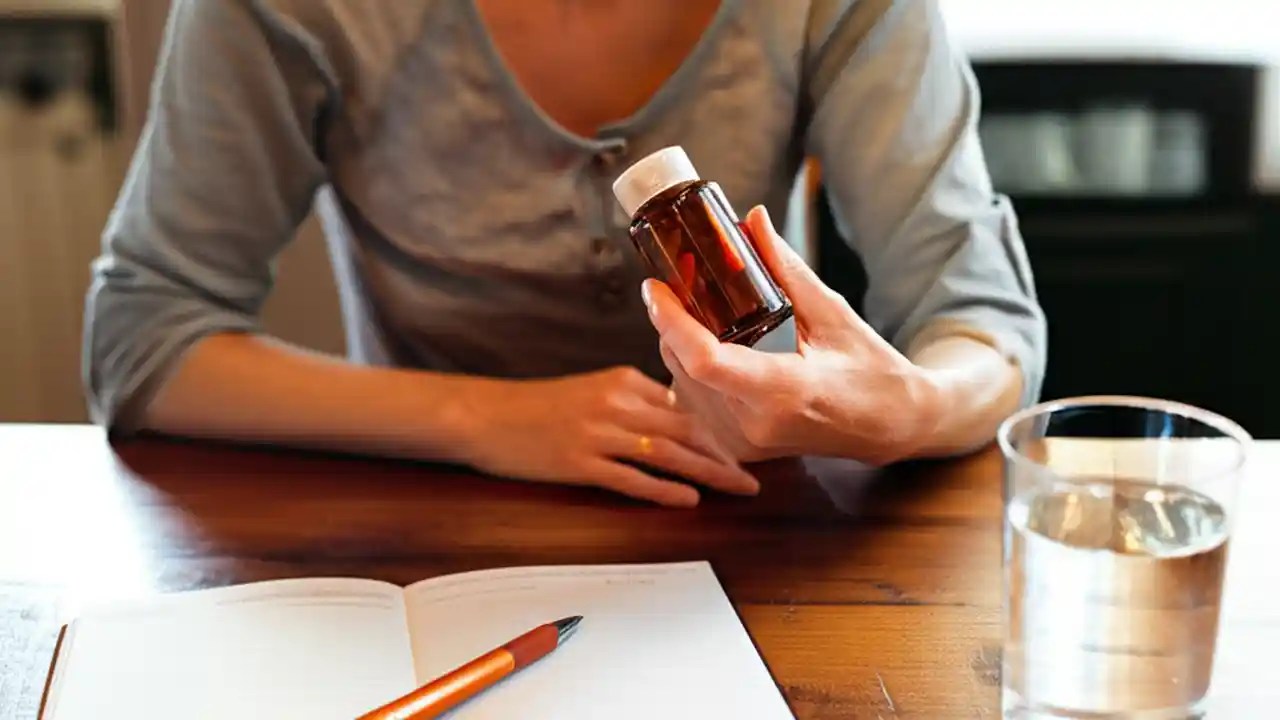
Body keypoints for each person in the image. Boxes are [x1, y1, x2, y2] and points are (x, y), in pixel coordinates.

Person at [84, 0, 1045, 507]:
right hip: (428, 540)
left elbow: (987, 326)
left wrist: (903, 410)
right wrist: (483, 420)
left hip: (763, 526)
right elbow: (144, 342)